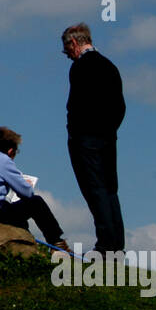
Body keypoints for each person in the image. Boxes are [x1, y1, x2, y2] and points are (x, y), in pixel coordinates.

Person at [62, 23, 125, 254]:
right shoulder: (110, 66)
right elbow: (120, 106)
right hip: (109, 137)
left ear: (74, 43)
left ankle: (105, 245)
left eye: (66, 49)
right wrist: (110, 129)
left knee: (94, 190)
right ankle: (117, 245)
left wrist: (76, 134)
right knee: (110, 189)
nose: (66, 55)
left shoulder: (80, 68)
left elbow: (75, 106)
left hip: (85, 139)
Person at [0, 126, 69, 251]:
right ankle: (57, 243)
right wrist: (25, 184)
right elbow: (27, 193)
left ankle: (27, 243)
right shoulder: (3, 160)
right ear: (11, 151)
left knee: (8, 208)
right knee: (36, 202)